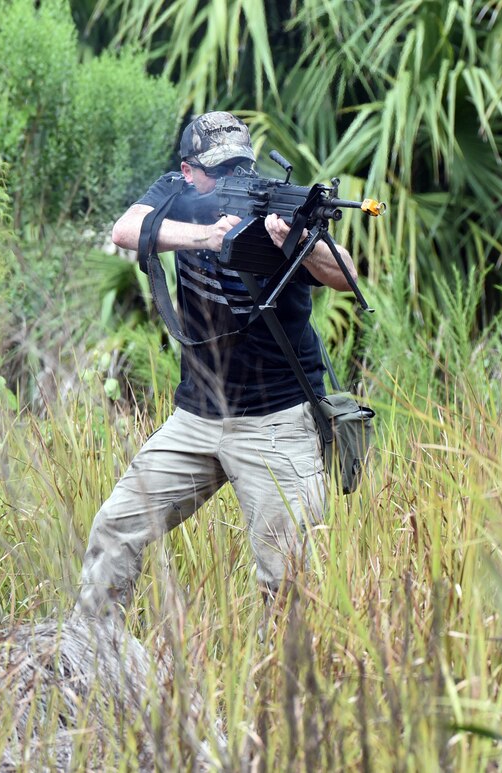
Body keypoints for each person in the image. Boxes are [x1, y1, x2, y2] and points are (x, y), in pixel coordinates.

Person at [73, 111, 359, 624]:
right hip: (197, 417)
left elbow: (347, 275)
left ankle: (286, 673)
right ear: (188, 172)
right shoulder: (175, 193)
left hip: (277, 423)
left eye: (239, 165)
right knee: (115, 526)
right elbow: (125, 230)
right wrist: (205, 236)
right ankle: (90, 648)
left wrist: (299, 242)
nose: (232, 177)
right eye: (218, 169)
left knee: (287, 579)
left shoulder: (275, 202)